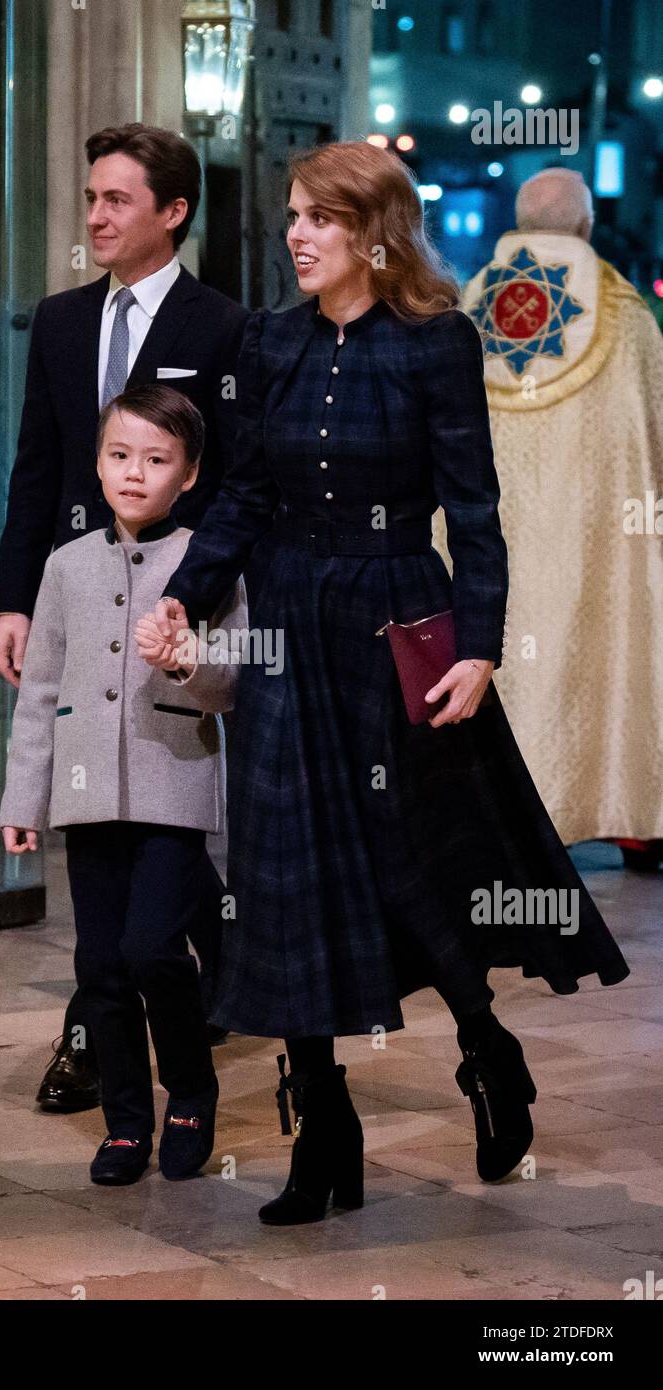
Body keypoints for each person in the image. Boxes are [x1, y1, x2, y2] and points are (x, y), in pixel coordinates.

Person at [140, 141, 630, 1227]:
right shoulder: (268, 341)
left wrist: (479, 643)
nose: (296, 234)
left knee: (405, 858)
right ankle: (323, 1126)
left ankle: (483, 1042)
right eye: (292, 216)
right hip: (287, 620)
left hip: (395, 619)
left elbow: (474, 508)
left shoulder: (434, 342)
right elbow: (243, 494)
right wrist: (186, 590)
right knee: (285, 875)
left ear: (374, 231)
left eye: (318, 217)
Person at [0, 123, 249, 1112]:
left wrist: (206, 607)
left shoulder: (222, 326)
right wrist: (16, 599)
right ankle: (111, 1020)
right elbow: (36, 471)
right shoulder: (57, 321)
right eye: (89, 197)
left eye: (115, 200)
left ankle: (164, 1002)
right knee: (95, 829)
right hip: (72, 593)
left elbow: (235, 480)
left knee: (164, 816)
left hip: (179, 602)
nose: (93, 216)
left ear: (171, 213)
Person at [0, 385, 247, 1184]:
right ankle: (127, 1125)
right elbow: (40, 691)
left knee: (152, 951)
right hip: (84, 795)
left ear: (191, 472)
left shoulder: (208, 562)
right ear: (98, 464)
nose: (134, 473)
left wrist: (185, 659)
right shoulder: (67, 565)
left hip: (173, 790)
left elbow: (232, 681)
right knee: (100, 966)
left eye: (156, 459)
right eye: (119, 455)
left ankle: (190, 1092)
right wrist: (22, 800)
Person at [434, 167, 663, 870]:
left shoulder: (466, 309)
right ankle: (628, 818)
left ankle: (484, 819)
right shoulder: (625, 316)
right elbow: (653, 429)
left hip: (484, 545)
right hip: (596, 541)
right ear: (587, 226)